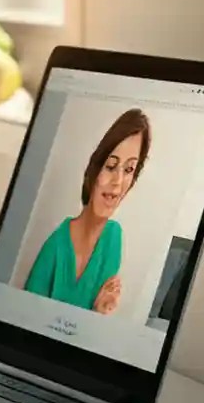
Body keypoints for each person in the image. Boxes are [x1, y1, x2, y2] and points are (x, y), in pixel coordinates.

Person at [23, 108, 152, 315]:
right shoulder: (56, 244)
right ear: (95, 170)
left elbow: (88, 326)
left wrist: (100, 312)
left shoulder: (113, 237)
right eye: (110, 166)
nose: (117, 183)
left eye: (129, 170)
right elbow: (23, 319)